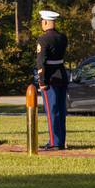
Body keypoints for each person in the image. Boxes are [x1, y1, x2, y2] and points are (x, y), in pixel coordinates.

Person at [35, 9, 68, 151]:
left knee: (52, 110)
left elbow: (41, 62)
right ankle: (60, 140)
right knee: (61, 110)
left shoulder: (43, 39)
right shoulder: (63, 37)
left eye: (42, 21)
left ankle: (54, 142)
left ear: (46, 22)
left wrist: (41, 81)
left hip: (50, 77)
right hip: (61, 74)